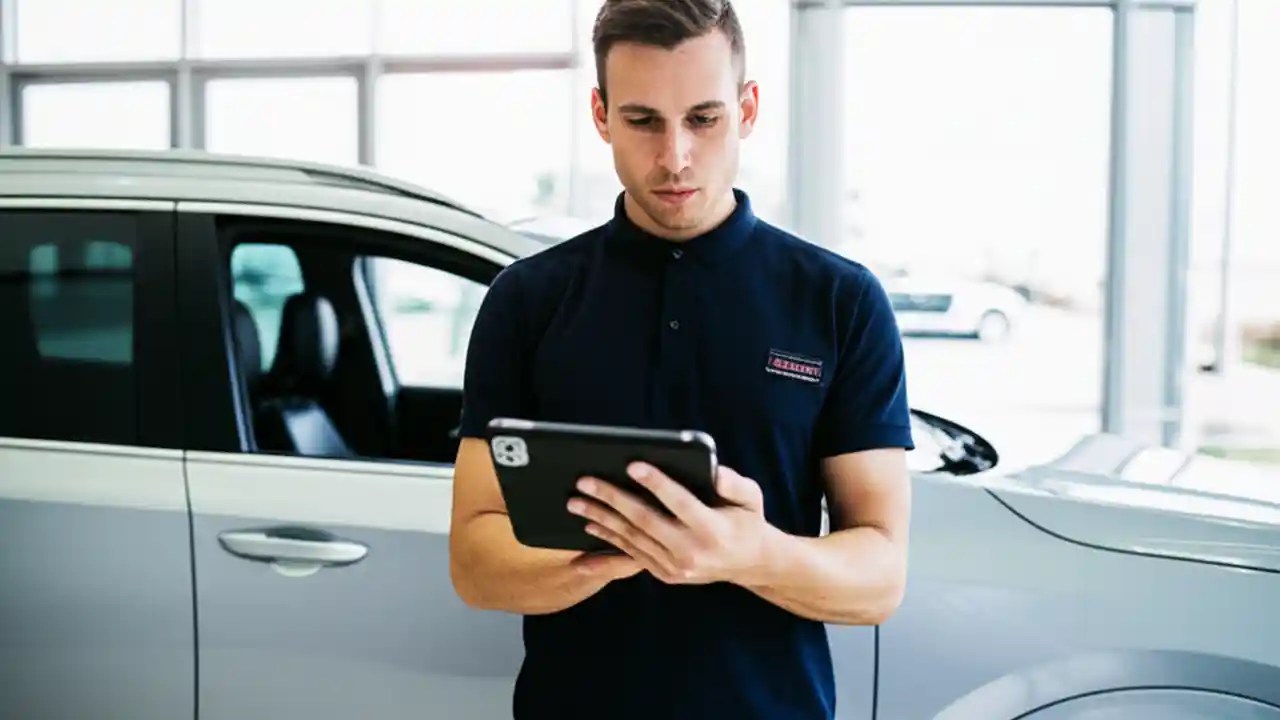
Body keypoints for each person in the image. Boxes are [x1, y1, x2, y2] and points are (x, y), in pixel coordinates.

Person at [448, 1, 914, 718]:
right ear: (601, 115)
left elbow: (880, 576)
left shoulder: (840, 301)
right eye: (642, 121)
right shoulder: (526, 301)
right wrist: (619, 549)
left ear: (748, 108)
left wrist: (746, 553)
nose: (675, 157)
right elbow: (476, 564)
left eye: (704, 119)